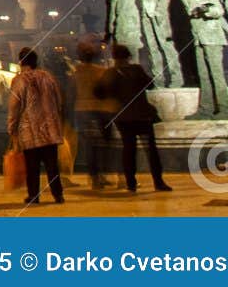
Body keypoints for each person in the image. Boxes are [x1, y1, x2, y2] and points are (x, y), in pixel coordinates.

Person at [98, 44, 171, 193]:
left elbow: (100, 93)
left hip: (123, 117)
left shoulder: (110, 73)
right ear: (128, 57)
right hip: (142, 115)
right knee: (151, 150)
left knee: (129, 150)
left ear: (114, 57)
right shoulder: (136, 70)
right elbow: (150, 85)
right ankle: (158, 181)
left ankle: (131, 183)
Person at [7, 46, 65, 205]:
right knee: (52, 165)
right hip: (50, 129)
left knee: (32, 167)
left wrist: (11, 128)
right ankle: (58, 195)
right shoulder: (48, 77)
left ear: (21, 62)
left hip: (29, 131)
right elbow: (59, 101)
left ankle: (34, 195)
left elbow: (14, 106)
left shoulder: (19, 80)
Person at [71, 40, 116, 188]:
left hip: (82, 110)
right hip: (102, 111)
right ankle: (104, 174)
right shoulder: (101, 71)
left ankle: (94, 177)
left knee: (90, 146)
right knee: (105, 144)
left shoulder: (75, 72)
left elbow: (71, 94)